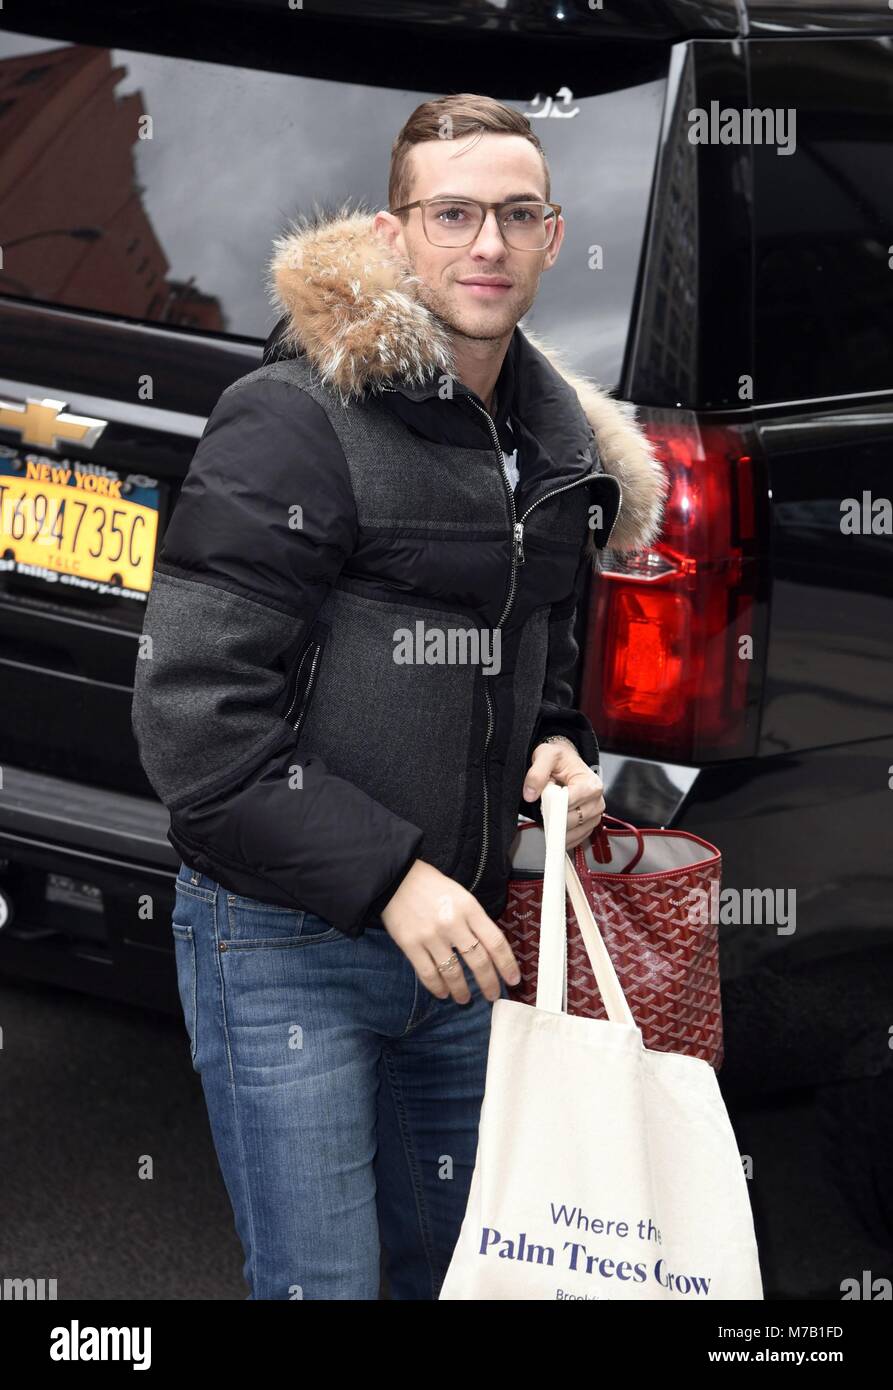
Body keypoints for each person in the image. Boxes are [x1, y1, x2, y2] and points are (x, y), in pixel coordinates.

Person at [130, 92, 666, 1300]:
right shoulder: (292, 420)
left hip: (465, 951)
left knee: (456, 1276)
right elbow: (192, 730)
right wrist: (387, 876)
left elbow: (546, 652)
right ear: (393, 233)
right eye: (453, 213)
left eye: (515, 215)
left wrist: (556, 745)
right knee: (324, 1284)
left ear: (550, 232)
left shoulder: (556, 439)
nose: (487, 243)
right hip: (284, 942)